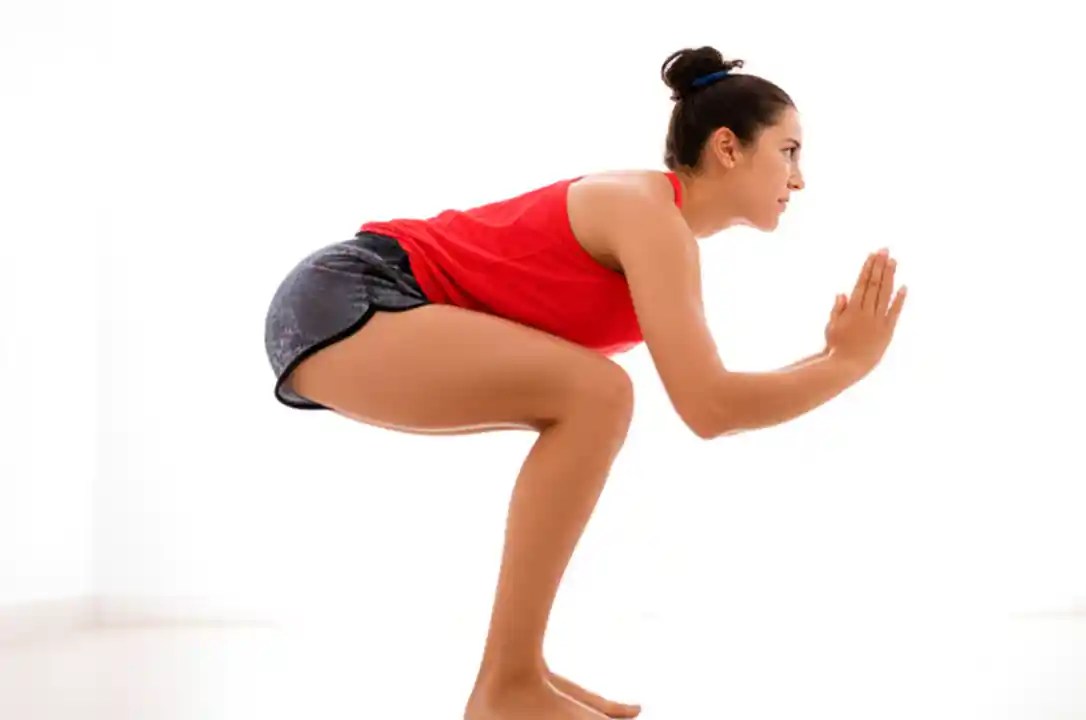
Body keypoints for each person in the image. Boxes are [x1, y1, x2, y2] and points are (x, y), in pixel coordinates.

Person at [263, 45, 907, 720]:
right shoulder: (648, 215)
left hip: (343, 311)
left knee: (591, 396)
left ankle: (519, 671)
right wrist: (845, 366)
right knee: (597, 394)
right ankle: (507, 683)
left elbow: (712, 396)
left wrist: (832, 358)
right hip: (346, 295)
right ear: (727, 147)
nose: (798, 178)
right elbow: (710, 407)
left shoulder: (664, 233)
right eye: (789, 151)